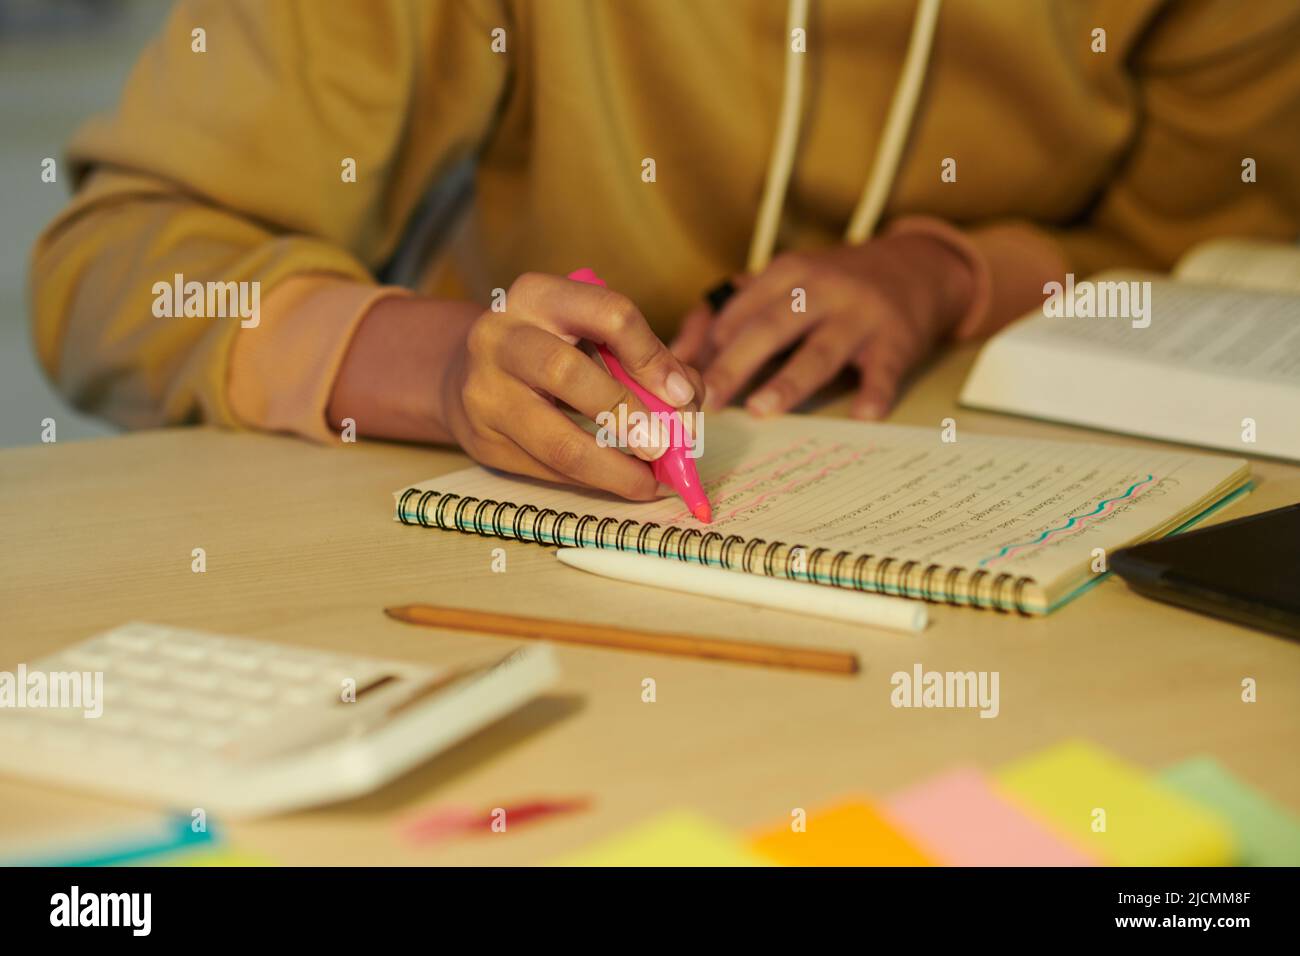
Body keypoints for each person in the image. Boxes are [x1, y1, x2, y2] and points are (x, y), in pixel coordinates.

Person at [30, 0, 1300, 502]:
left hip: (1020, 553)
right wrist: (440, 373)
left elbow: (1239, 252)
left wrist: (953, 271)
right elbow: (114, 261)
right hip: (505, 581)